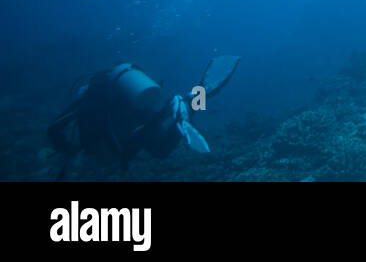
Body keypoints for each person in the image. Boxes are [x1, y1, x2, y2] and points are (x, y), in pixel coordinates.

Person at [46, 57, 237, 178]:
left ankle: (178, 109)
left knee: (157, 150)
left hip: (120, 143)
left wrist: (67, 148)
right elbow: (146, 113)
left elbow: (54, 127)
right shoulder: (120, 96)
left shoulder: (89, 101)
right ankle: (184, 103)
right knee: (159, 149)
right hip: (136, 130)